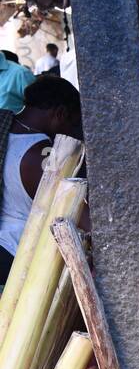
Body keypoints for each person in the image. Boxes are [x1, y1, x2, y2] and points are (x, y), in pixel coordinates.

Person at [0, 75, 81, 283]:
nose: (72, 132)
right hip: (16, 254)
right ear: (60, 114)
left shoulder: (6, 132)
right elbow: (68, 208)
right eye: (72, 124)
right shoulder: (43, 152)